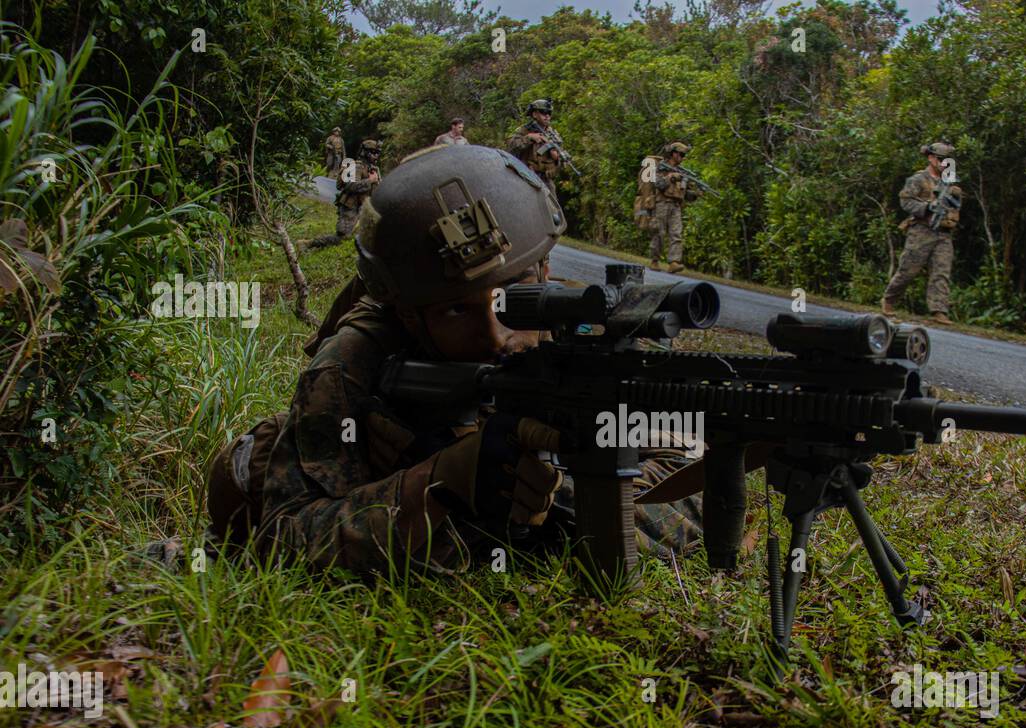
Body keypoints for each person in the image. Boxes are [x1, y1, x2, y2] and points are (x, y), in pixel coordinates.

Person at [206, 145, 701, 574]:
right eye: (455, 310)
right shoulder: (353, 362)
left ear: (544, 269)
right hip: (364, 470)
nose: (494, 334)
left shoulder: (584, 331)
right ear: (407, 314)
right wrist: (439, 482)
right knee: (245, 466)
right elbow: (285, 537)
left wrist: (565, 493)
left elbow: (695, 472)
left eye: (514, 296)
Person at [881, 142, 962, 326]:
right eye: (941, 159)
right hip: (921, 230)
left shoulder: (949, 180)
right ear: (931, 158)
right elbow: (905, 201)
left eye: (947, 160)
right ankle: (889, 301)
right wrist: (926, 207)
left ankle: (939, 310)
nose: (944, 163)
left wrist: (954, 199)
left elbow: (955, 205)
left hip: (943, 233)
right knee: (908, 270)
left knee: (941, 272)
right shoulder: (918, 179)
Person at [507, 99, 574, 280]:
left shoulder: (553, 134)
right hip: (527, 179)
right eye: (544, 113)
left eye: (549, 114)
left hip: (546, 182)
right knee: (524, 218)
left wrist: (556, 156)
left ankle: (544, 260)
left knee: (551, 220)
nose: (547, 117)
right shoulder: (523, 131)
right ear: (534, 113)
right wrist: (530, 138)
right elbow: (510, 147)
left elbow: (562, 162)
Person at [301, 139, 382, 252]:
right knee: (342, 237)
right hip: (350, 206)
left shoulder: (374, 169)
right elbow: (350, 186)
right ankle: (308, 243)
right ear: (365, 152)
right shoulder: (356, 166)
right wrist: (370, 180)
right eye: (373, 152)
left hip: (363, 206)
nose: (376, 156)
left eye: (377, 153)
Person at [648, 142, 701, 274]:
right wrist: (671, 178)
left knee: (676, 234)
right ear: (674, 154)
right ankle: (654, 260)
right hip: (661, 204)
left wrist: (696, 194)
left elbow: (686, 194)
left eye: (684, 155)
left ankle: (673, 262)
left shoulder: (682, 172)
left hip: (676, 206)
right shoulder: (661, 167)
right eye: (681, 154)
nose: (683, 157)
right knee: (659, 233)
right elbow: (658, 184)